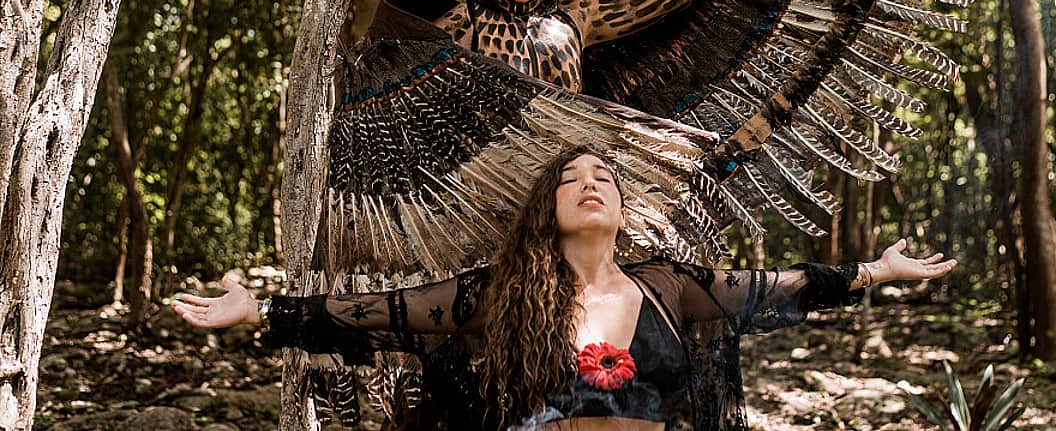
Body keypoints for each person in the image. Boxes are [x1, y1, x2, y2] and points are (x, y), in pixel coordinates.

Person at [174, 148, 956, 431]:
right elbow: (382, 311)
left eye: (603, 177)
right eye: (571, 178)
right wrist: (265, 308)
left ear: (620, 206)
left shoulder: (670, 288)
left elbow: (775, 284)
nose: (590, 185)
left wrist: (874, 271)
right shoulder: (502, 292)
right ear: (547, 207)